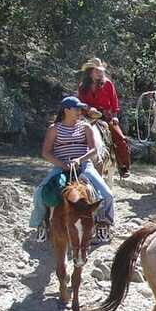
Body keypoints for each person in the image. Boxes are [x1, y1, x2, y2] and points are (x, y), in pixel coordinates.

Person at [30, 96, 115, 242]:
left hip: (84, 166)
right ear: (66, 110)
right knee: (39, 192)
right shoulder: (54, 129)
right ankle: (41, 224)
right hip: (61, 166)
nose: (80, 111)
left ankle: (103, 225)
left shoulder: (85, 126)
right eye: (76, 108)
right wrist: (62, 164)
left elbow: (94, 149)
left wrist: (79, 160)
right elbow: (46, 152)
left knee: (107, 194)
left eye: (80, 109)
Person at [77, 57, 132, 178]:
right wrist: (87, 109)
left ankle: (123, 166)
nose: (100, 72)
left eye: (101, 70)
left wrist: (115, 115)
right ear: (90, 71)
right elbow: (80, 101)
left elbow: (114, 101)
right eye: (96, 70)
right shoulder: (83, 86)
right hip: (87, 114)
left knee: (120, 139)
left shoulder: (107, 83)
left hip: (105, 115)